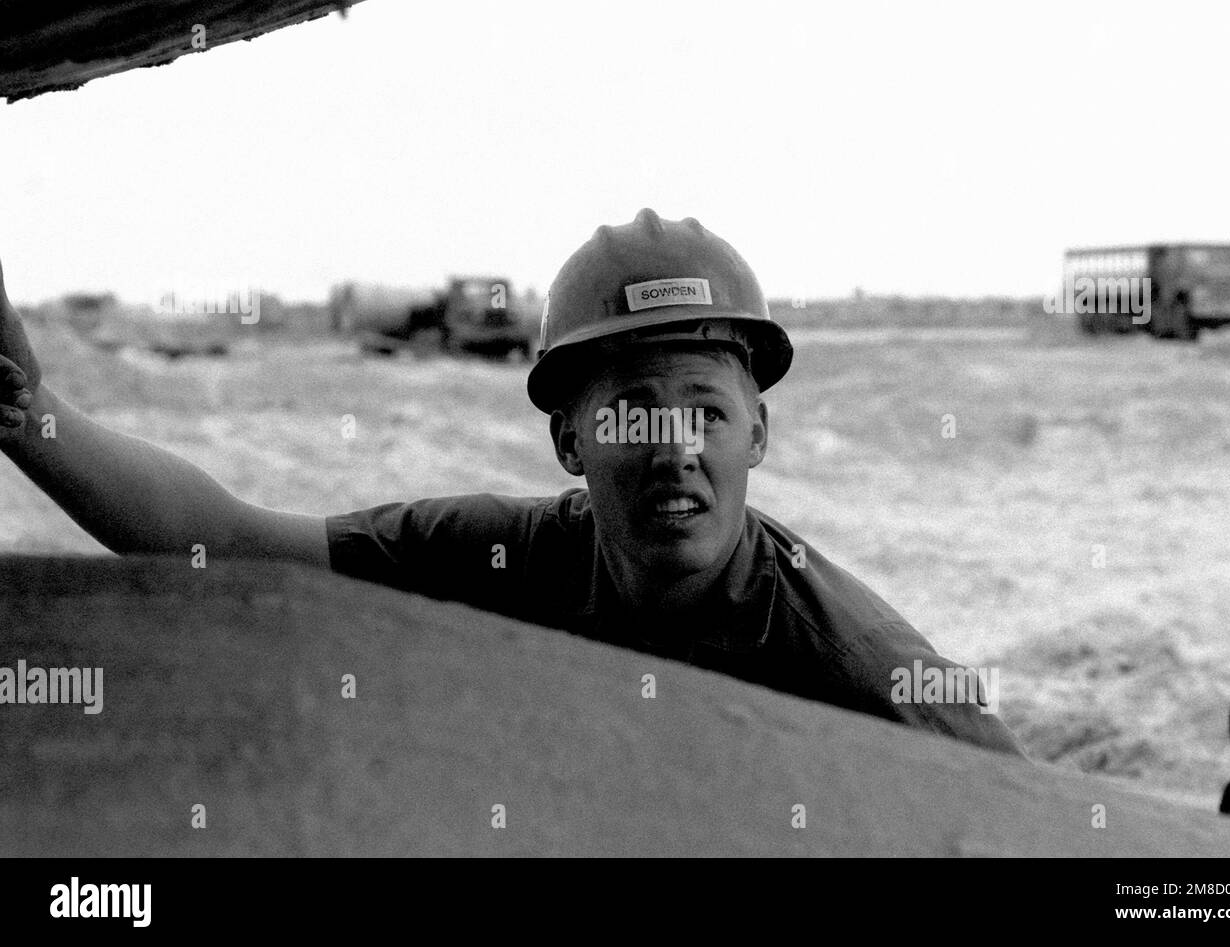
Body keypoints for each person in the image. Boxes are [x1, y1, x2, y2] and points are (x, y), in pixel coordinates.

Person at [0, 208, 1025, 757]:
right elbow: (223, 539)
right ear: (569, 441)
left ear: (758, 432)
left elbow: (1032, 832)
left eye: (706, 410)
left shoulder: (859, 664)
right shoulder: (506, 556)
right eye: (631, 407)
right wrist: (24, 413)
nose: (673, 447)